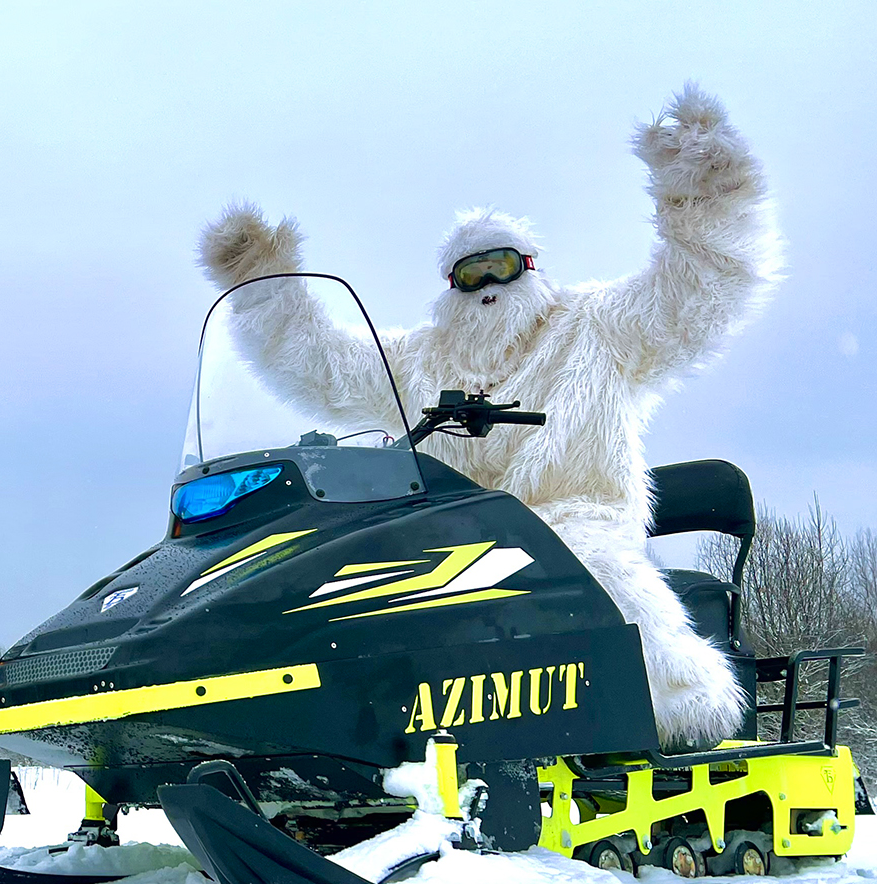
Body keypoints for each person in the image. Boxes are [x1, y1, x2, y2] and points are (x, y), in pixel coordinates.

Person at [194, 83, 782, 751]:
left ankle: (671, 711)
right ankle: (333, 741)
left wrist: (701, 188)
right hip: (448, 541)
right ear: (449, 286)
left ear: (529, 268)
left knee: (591, 568)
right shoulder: (417, 358)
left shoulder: (596, 328)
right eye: (468, 274)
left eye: (501, 266)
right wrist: (264, 286)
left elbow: (698, 294)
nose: (487, 287)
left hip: (573, 522)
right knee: (342, 596)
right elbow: (323, 365)